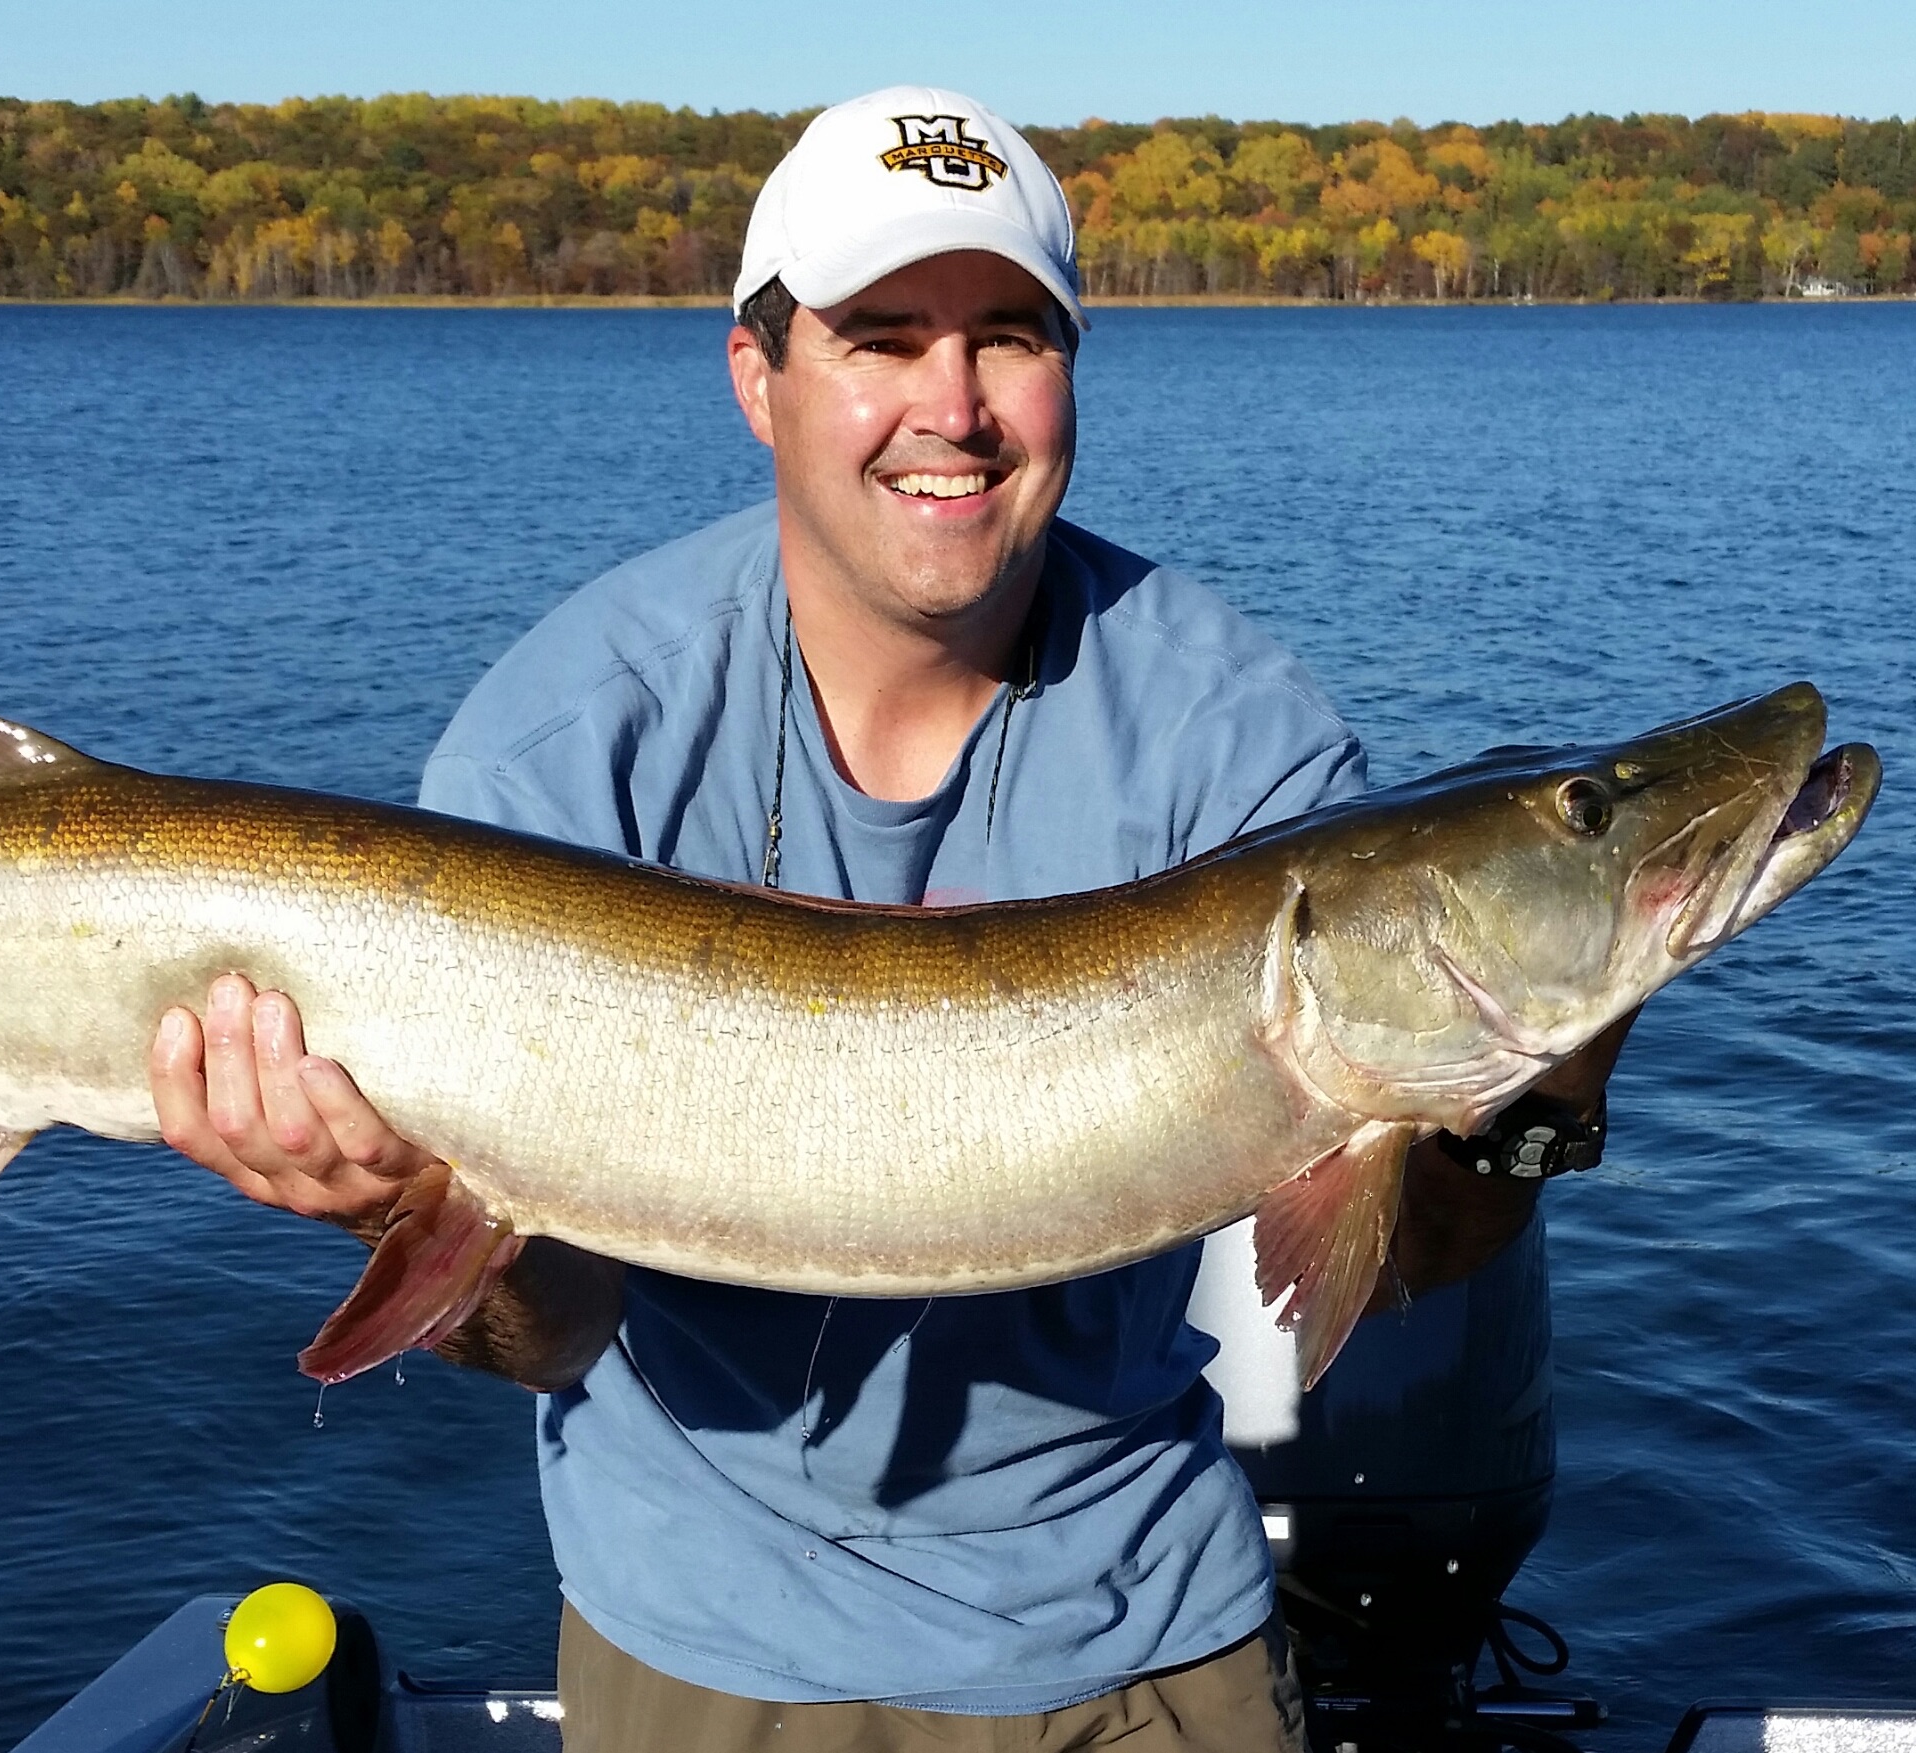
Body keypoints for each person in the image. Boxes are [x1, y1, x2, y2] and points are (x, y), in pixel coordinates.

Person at [146, 85, 1627, 1753]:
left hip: (1139, 1626)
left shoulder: (1234, 732)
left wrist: (1542, 1093)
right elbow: (553, 1325)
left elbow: (1405, 1256)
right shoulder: (572, 738)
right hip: (704, 1647)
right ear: (754, 376)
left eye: (1008, 334)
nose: (952, 405)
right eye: (879, 335)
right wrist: (382, 1206)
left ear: (1072, 372)